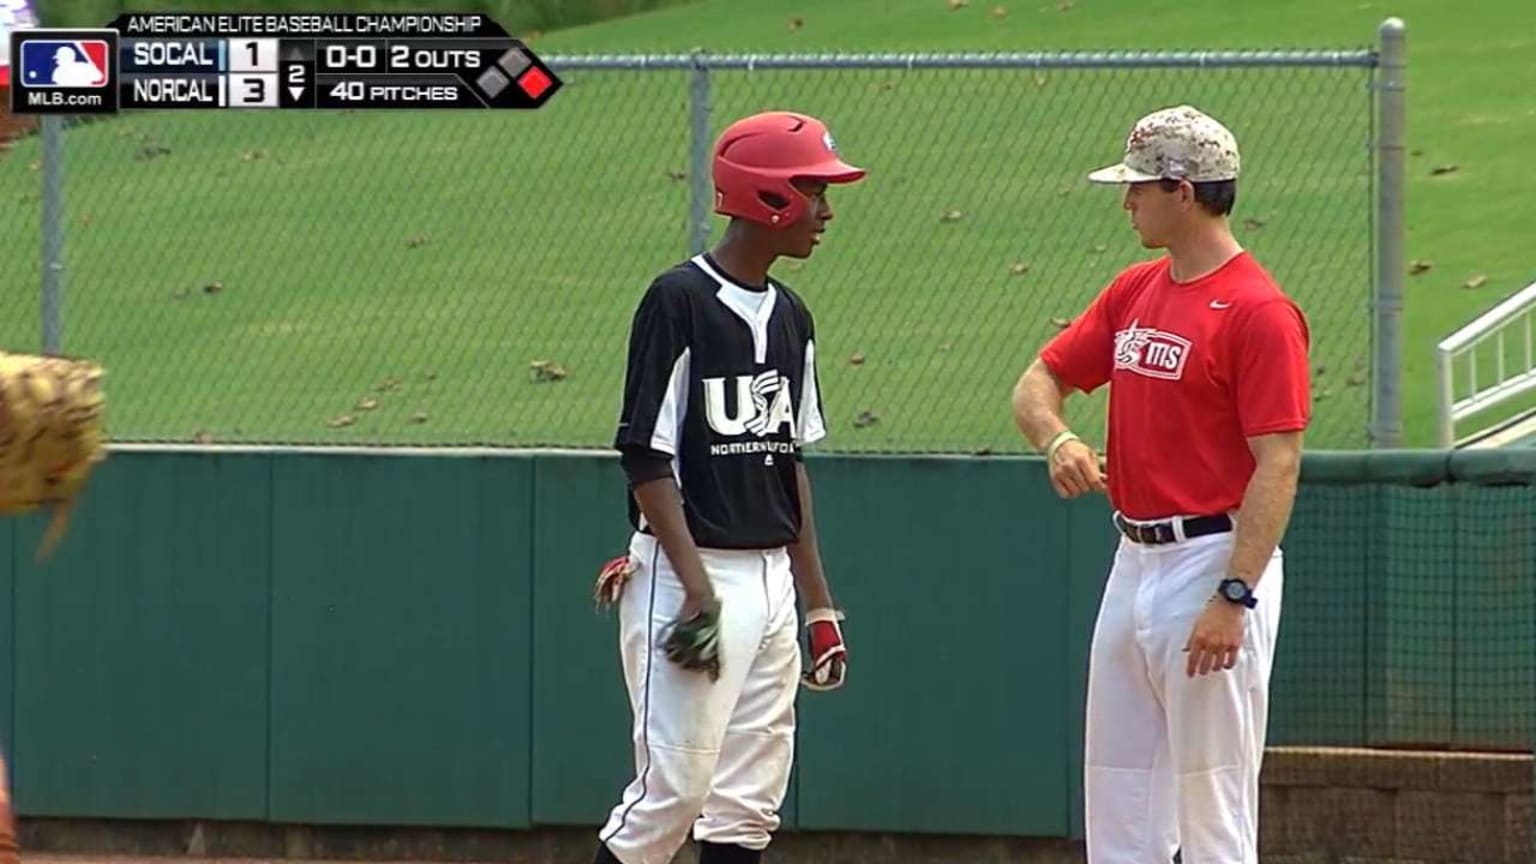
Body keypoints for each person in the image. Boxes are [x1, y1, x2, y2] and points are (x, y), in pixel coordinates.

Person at [1010, 105, 1311, 863]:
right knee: (1120, 794)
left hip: (1212, 557)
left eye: (1139, 187)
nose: (1127, 201)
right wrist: (1059, 438)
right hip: (1134, 558)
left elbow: (1279, 461)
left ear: (1184, 190)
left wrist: (1234, 594)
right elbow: (1038, 382)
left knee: (1212, 804)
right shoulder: (1135, 290)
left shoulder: (1259, 312)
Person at [588, 110, 865, 864]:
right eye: (816, 191)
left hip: (772, 581)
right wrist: (698, 590)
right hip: (689, 577)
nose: (828, 211)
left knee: (747, 804)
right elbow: (646, 458)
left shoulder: (792, 318)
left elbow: (789, 463)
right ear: (771, 197)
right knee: (671, 795)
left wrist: (818, 604)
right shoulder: (677, 301)